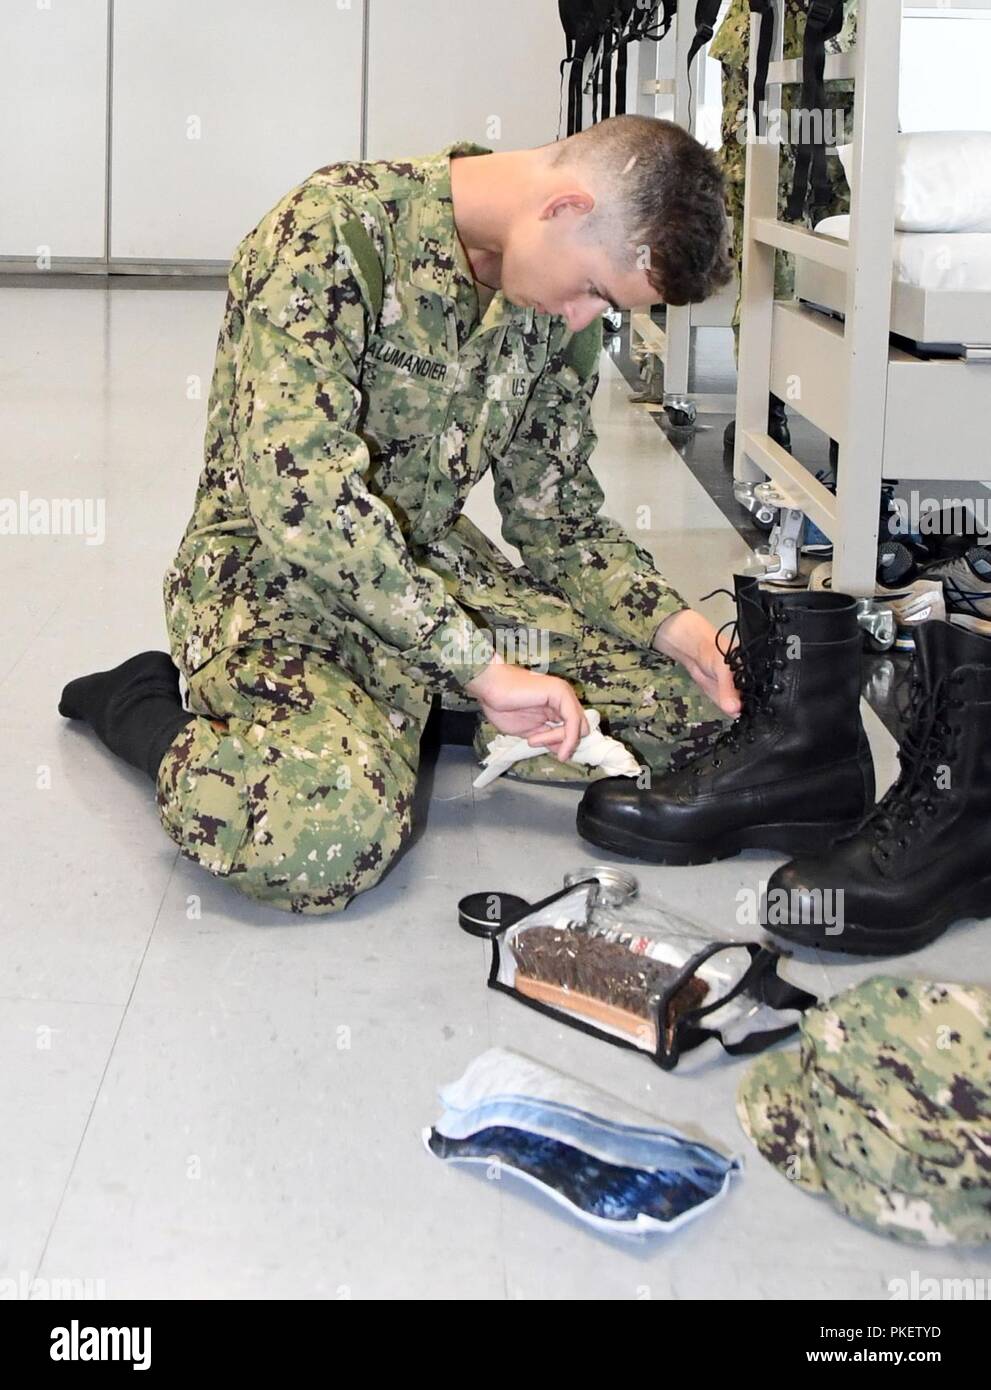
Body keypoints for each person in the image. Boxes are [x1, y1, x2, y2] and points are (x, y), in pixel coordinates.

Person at [59, 115, 736, 916]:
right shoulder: (333, 231)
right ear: (563, 206)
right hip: (277, 573)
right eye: (594, 290)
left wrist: (676, 627)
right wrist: (478, 663)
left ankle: (412, 712)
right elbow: (306, 503)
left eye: (609, 308)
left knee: (691, 717)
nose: (586, 319)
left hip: (430, 573)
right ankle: (137, 703)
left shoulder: (554, 311)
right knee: (322, 838)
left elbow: (557, 517)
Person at [712, 0, 857, 452]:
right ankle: (764, 405)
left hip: (839, 44)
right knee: (763, 234)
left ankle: (851, 416)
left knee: (852, 228)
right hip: (764, 39)